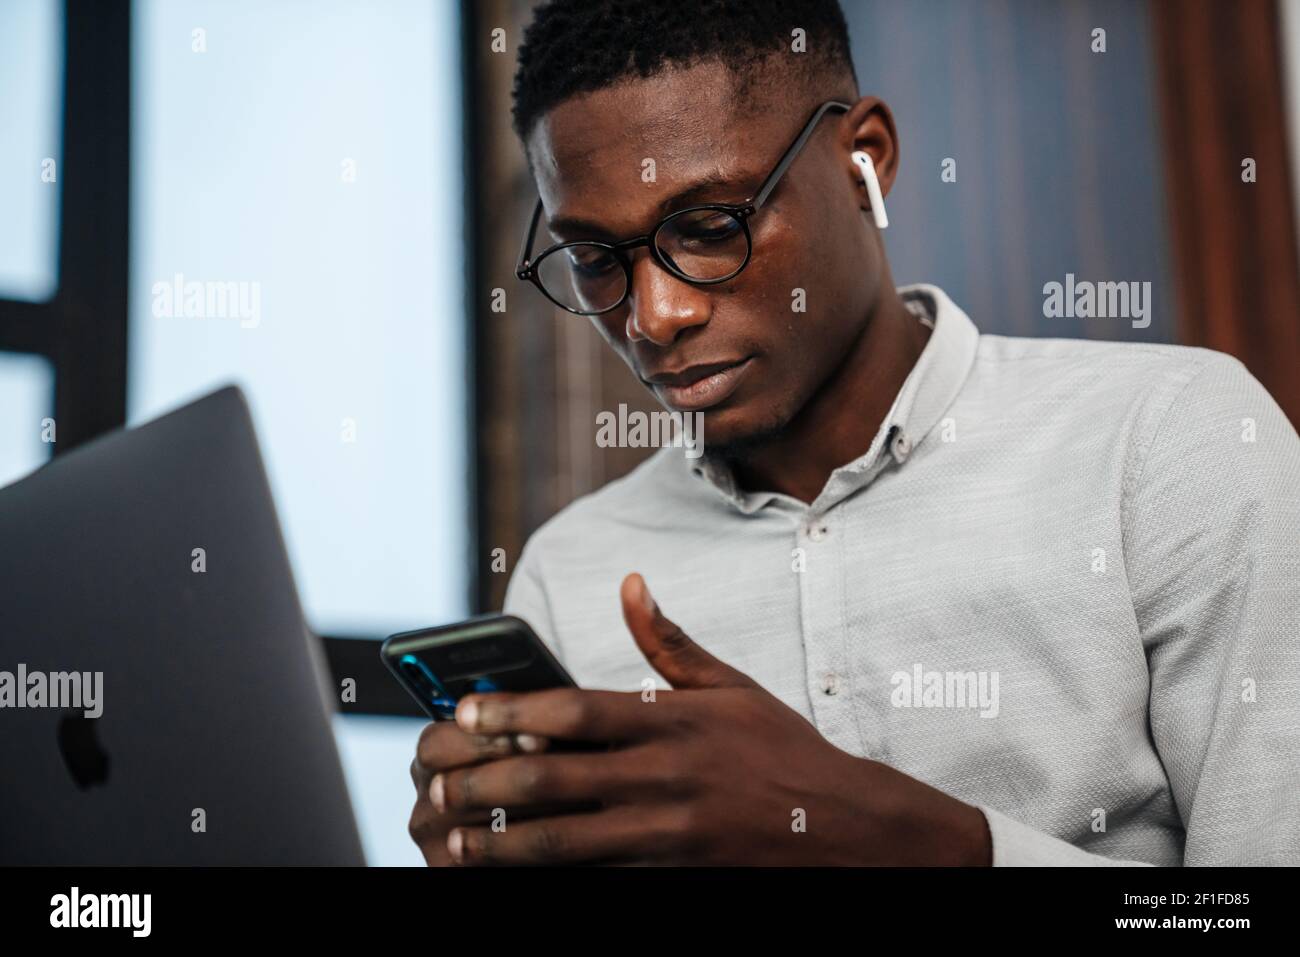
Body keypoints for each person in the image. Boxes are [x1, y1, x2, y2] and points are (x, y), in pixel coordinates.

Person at [409, 0, 1300, 865]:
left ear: (863, 162)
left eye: (711, 227)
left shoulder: (1170, 448)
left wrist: (918, 844)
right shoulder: (570, 576)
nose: (654, 313)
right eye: (598, 260)